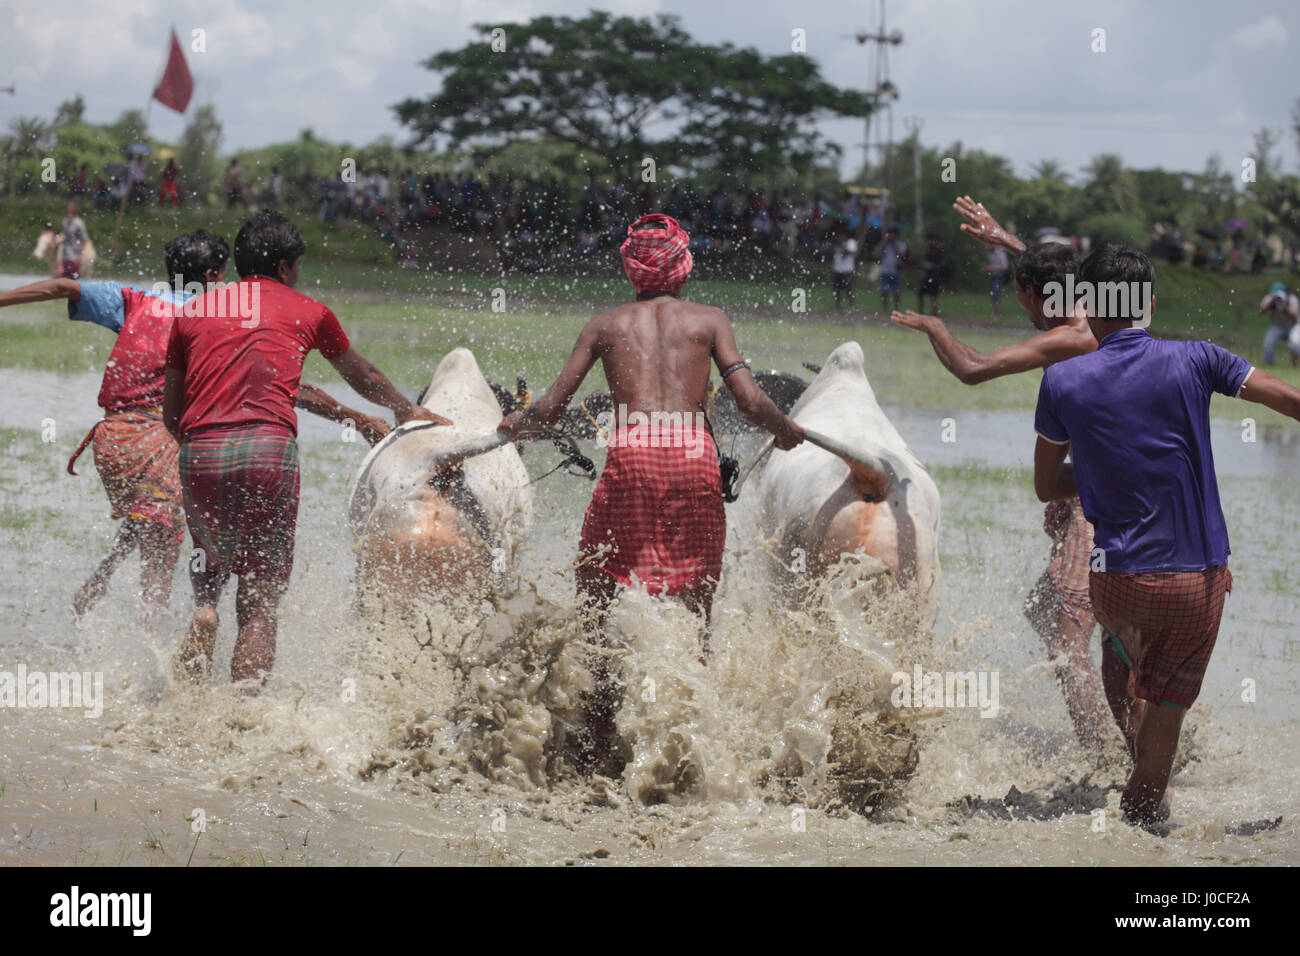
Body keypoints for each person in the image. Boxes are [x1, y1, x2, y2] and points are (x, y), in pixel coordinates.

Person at [497, 213, 803, 774]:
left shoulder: (605, 324)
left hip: (634, 452)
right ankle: (697, 738)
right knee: (696, 601)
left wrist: (516, 423)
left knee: (597, 591)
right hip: (692, 457)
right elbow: (750, 402)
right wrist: (785, 429)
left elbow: (552, 407)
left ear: (629, 268)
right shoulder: (709, 320)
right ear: (683, 268)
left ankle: (595, 733)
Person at [1033, 243, 1300, 828]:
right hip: (1195, 586)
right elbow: (1290, 400)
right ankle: (1145, 804)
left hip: (1115, 585)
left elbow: (1047, 486)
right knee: (1166, 701)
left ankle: (1133, 739)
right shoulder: (1200, 359)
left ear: (1087, 304)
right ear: (1149, 303)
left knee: (1120, 647)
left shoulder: (1061, 381)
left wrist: (1104, 466)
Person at [0, 231, 390, 623]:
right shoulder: (211, 316)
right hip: (158, 440)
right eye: (224, 276)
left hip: (113, 440)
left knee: (151, 514)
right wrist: (355, 418)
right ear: (210, 276)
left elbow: (64, 285)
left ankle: (103, 576)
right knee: (163, 556)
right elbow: (290, 388)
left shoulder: (136, 300)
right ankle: (154, 656)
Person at [163, 212, 451, 687]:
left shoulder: (192, 313)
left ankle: (204, 613)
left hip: (201, 450)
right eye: (297, 266)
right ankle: (244, 715)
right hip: (269, 453)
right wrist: (404, 408)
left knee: (209, 557)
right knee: (259, 600)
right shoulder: (310, 311)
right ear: (283, 267)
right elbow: (365, 376)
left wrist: (206, 444)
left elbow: (172, 416)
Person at [891, 196, 1110, 750]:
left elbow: (972, 368)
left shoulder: (1069, 338)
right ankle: (1127, 723)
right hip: (1102, 489)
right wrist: (1008, 240)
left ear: (1029, 296)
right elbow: (1059, 273)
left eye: (1024, 297)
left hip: (1096, 502)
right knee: (1047, 609)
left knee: (1066, 640)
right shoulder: (1095, 308)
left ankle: (1104, 755)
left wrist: (935, 326)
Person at [1259, 280, 1299, 366]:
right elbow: (1261, 312)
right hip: (1276, 326)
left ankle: (1294, 364)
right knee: (1268, 343)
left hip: (1292, 326)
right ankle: (1269, 364)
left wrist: (1284, 306)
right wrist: (1271, 302)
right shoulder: (1270, 298)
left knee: (1295, 344)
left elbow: (1293, 316)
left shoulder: (1292, 298)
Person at [875, 226, 907, 313]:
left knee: (896, 290)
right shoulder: (884, 243)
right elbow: (877, 252)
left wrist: (894, 244)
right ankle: (885, 308)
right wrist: (885, 243)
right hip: (885, 269)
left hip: (896, 270)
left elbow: (901, 255)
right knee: (884, 290)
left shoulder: (901, 244)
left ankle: (897, 308)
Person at [918, 233, 948, 314]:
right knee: (921, 293)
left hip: (936, 276)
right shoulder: (928, 251)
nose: (930, 242)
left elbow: (944, 264)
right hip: (927, 275)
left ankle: (934, 312)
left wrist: (932, 266)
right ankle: (921, 312)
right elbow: (924, 262)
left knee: (933, 295)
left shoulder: (941, 251)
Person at [60, 202, 89, 279]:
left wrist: (80, 255)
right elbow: (64, 236)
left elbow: (84, 239)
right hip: (66, 254)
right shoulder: (65, 222)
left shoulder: (79, 223)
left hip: (75, 254)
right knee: (64, 276)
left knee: (75, 276)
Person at [831, 230, 859, 311]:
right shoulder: (836, 244)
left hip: (847, 270)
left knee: (848, 289)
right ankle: (838, 306)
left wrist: (842, 244)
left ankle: (851, 305)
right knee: (837, 290)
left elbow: (849, 252)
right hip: (837, 269)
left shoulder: (851, 242)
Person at [987, 244, 1011, 318]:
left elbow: (1005, 267)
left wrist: (992, 268)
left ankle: (996, 315)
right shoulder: (990, 254)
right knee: (994, 294)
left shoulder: (1000, 254)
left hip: (1000, 276)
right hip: (994, 276)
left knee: (995, 293)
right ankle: (996, 314)